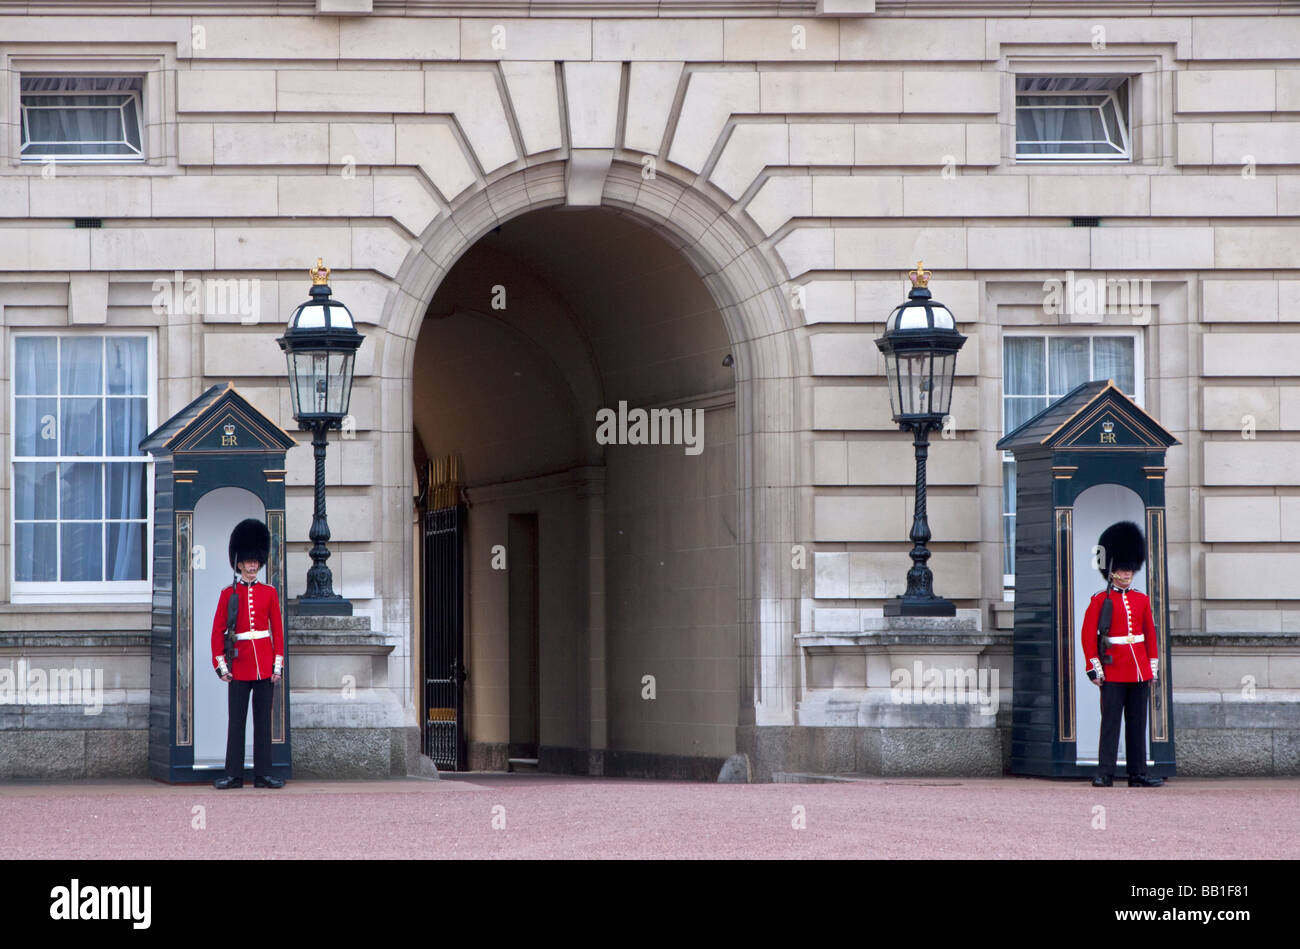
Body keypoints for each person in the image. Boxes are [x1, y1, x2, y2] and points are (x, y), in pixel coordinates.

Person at [1081, 520, 1163, 788]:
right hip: (1113, 668)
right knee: (1111, 722)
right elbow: (1087, 636)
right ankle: (1105, 772)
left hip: (1139, 668)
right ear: (1111, 571)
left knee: (1137, 723)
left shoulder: (1141, 599)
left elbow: (1149, 634)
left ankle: (1137, 773)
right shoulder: (1099, 600)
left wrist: (1152, 667)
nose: (1126, 574)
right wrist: (1094, 667)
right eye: (1121, 569)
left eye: (1129, 569)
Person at [211, 518, 286, 789]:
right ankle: (234, 774)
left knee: (263, 723)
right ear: (239, 564)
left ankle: (263, 774)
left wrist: (277, 666)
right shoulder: (227, 594)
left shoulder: (269, 593)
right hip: (240, 665)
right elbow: (217, 631)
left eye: (256, 561)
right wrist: (221, 665)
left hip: (264, 664)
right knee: (237, 722)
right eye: (248, 561)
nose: (252, 566)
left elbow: (277, 632)